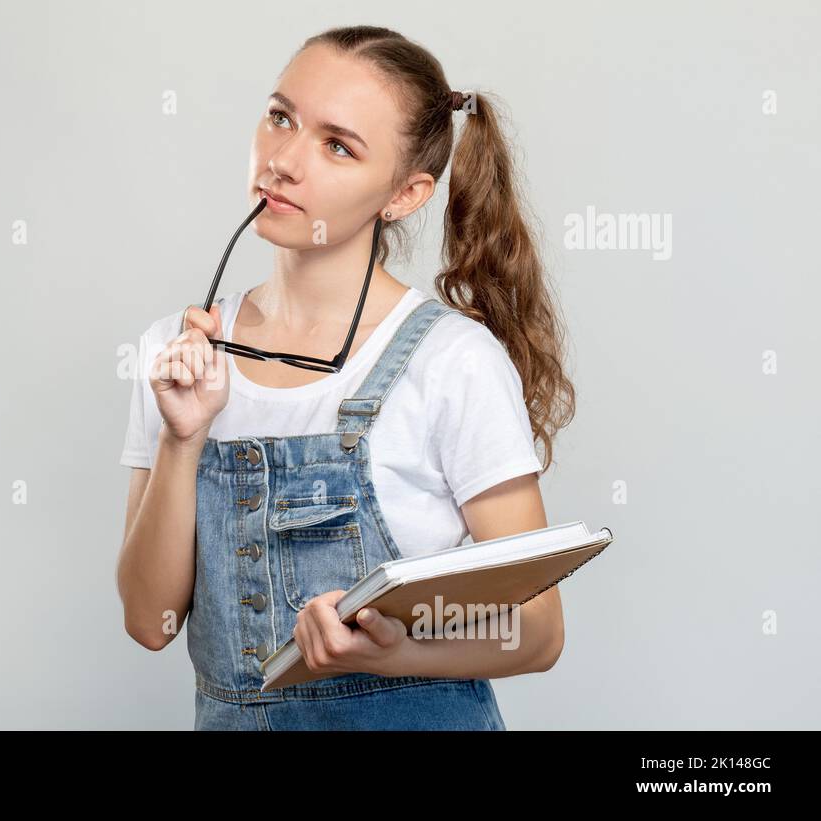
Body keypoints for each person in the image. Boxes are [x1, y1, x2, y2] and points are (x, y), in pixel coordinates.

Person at [115, 24, 576, 730]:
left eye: (338, 145)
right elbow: (150, 622)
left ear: (405, 193)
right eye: (280, 118)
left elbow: (539, 631)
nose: (284, 160)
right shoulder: (177, 354)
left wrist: (396, 653)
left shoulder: (452, 361)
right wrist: (183, 440)